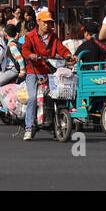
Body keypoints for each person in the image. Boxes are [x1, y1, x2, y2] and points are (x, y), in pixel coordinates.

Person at [19, 11, 71, 140]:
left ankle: (53, 124)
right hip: (34, 72)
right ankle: (29, 128)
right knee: (32, 98)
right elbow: (25, 50)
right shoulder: (30, 36)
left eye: (50, 22)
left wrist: (69, 55)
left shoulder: (53, 37)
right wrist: (30, 55)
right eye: (45, 22)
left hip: (49, 72)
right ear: (38, 22)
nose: (48, 25)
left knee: (57, 95)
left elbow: (62, 50)